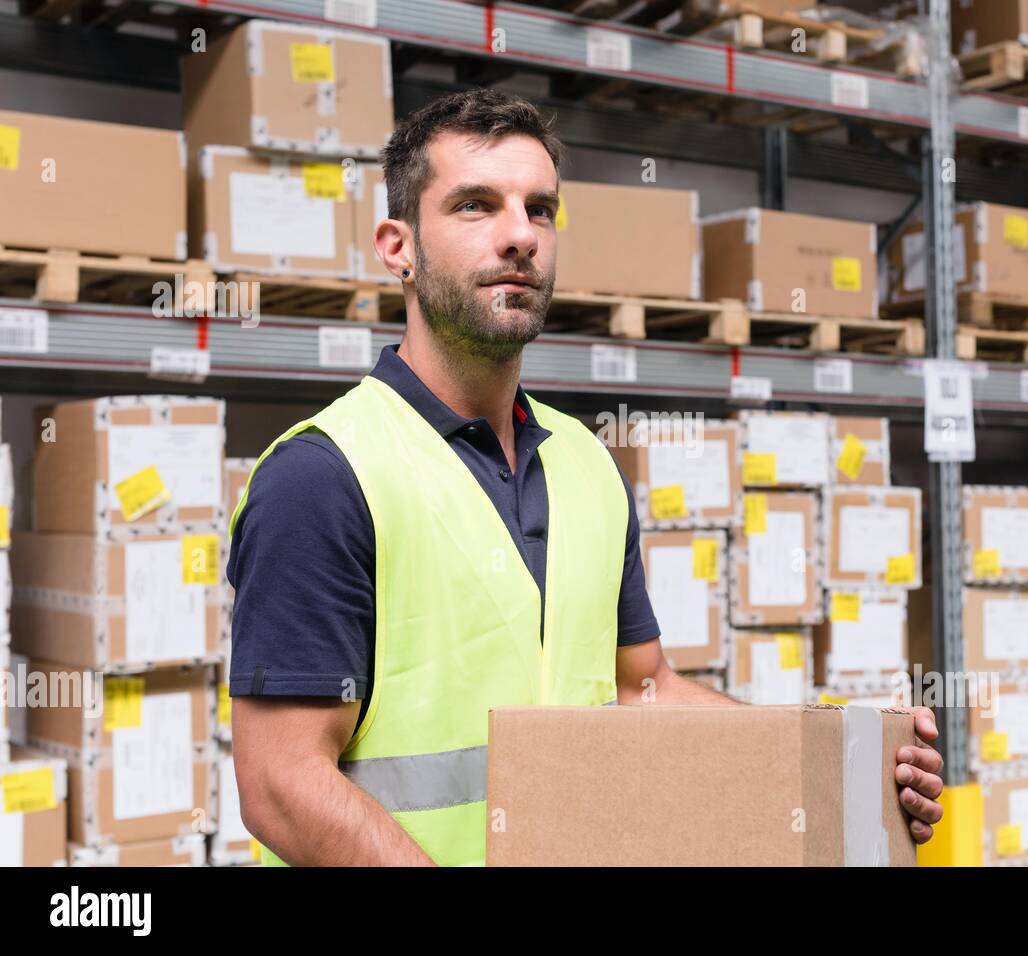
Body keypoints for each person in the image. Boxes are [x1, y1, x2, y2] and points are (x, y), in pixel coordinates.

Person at [227, 88, 944, 866]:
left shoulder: (585, 463)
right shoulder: (324, 475)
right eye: (475, 206)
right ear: (397, 246)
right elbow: (281, 782)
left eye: (539, 209)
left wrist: (839, 761)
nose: (519, 237)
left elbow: (645, 690)